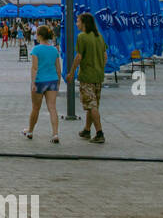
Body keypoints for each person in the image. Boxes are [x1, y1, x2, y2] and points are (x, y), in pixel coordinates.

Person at [68, 12, 106, 143]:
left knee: (92, 105)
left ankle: (100, 133)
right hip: (98, 76)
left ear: (84, 23)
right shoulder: (99, 37)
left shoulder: (82, 37)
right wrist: (100, 67)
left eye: (78, 21)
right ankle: (87, 130)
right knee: (93, 104)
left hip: (87, 76)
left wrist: (72, 72)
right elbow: (105, 56)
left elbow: (79, 56)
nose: (76, 23)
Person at [23, 25, 62, 143]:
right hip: (52, 81)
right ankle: (55, 134)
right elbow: (58, 68)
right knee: (52, 108)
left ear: (39, 36)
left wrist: (33, 83)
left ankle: (30, 131)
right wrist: (58, 82)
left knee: (36, 108)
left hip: (40, 81)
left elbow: (34, 68)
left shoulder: (36, 49)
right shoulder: (54, 50)